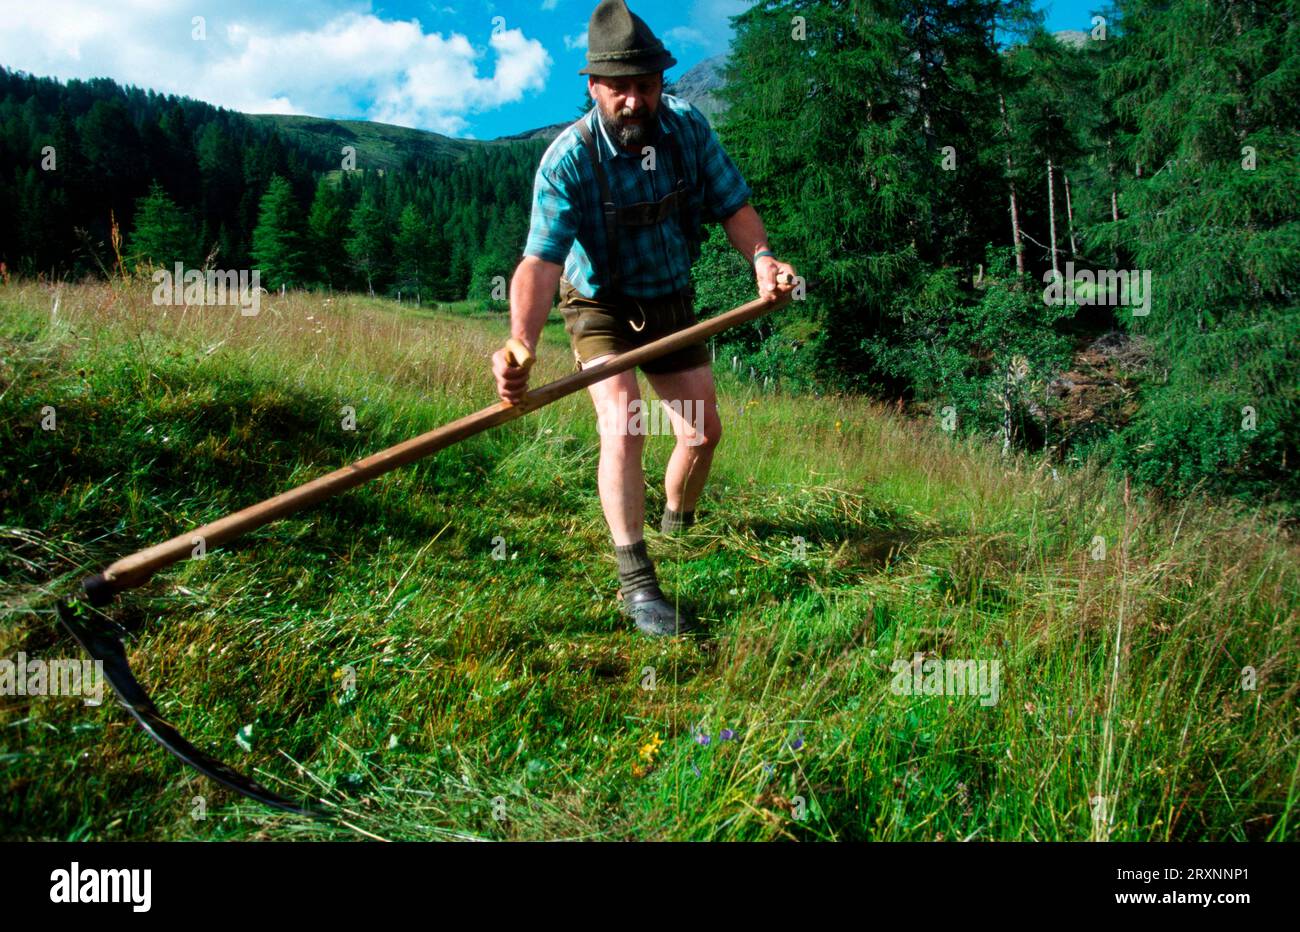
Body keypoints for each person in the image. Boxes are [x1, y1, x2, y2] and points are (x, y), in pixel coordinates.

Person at [491, 0, 797, 636]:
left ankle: (677, 524)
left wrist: (763, 259)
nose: (634, 102)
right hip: (599, 303)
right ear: (594, 87)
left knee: (701, 434)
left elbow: (734, 205)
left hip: (669, 297)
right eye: (619, 88)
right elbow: (540, 264)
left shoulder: (687, 131)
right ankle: (638, 585)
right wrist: (521, 344)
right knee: (625, 425)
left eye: (645, 86)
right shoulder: (568, 162)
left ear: (661, 83)